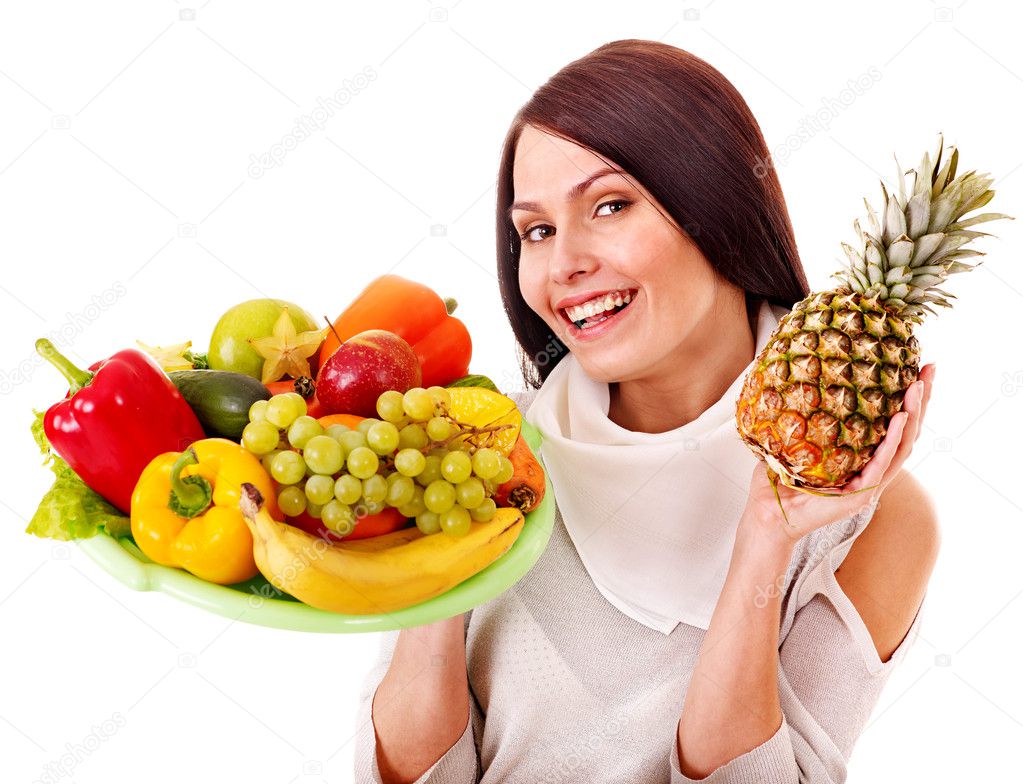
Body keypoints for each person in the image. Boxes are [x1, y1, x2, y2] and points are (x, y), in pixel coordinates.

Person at [354, 39, 939, 783]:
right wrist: (440, 572)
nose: (564, 263)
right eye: (536, 230)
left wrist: (763, 538)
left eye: (609, 205)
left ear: (715, 206)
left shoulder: (871, 519)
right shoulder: (485, 449)